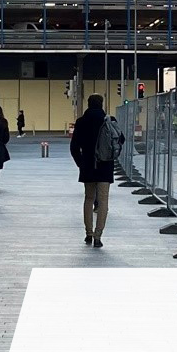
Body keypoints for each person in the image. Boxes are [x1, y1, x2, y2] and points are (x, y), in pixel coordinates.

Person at [70, 92, 122, 248]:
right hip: (105, 165)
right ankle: (98, 236)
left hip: (87, 165)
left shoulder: (81, 122)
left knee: (88, 199)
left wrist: (80, 162)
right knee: (103, 201)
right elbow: (120, 140)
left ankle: (88, 233)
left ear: (88, 103)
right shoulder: (109, 121)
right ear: (101, 104)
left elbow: (74, 147)